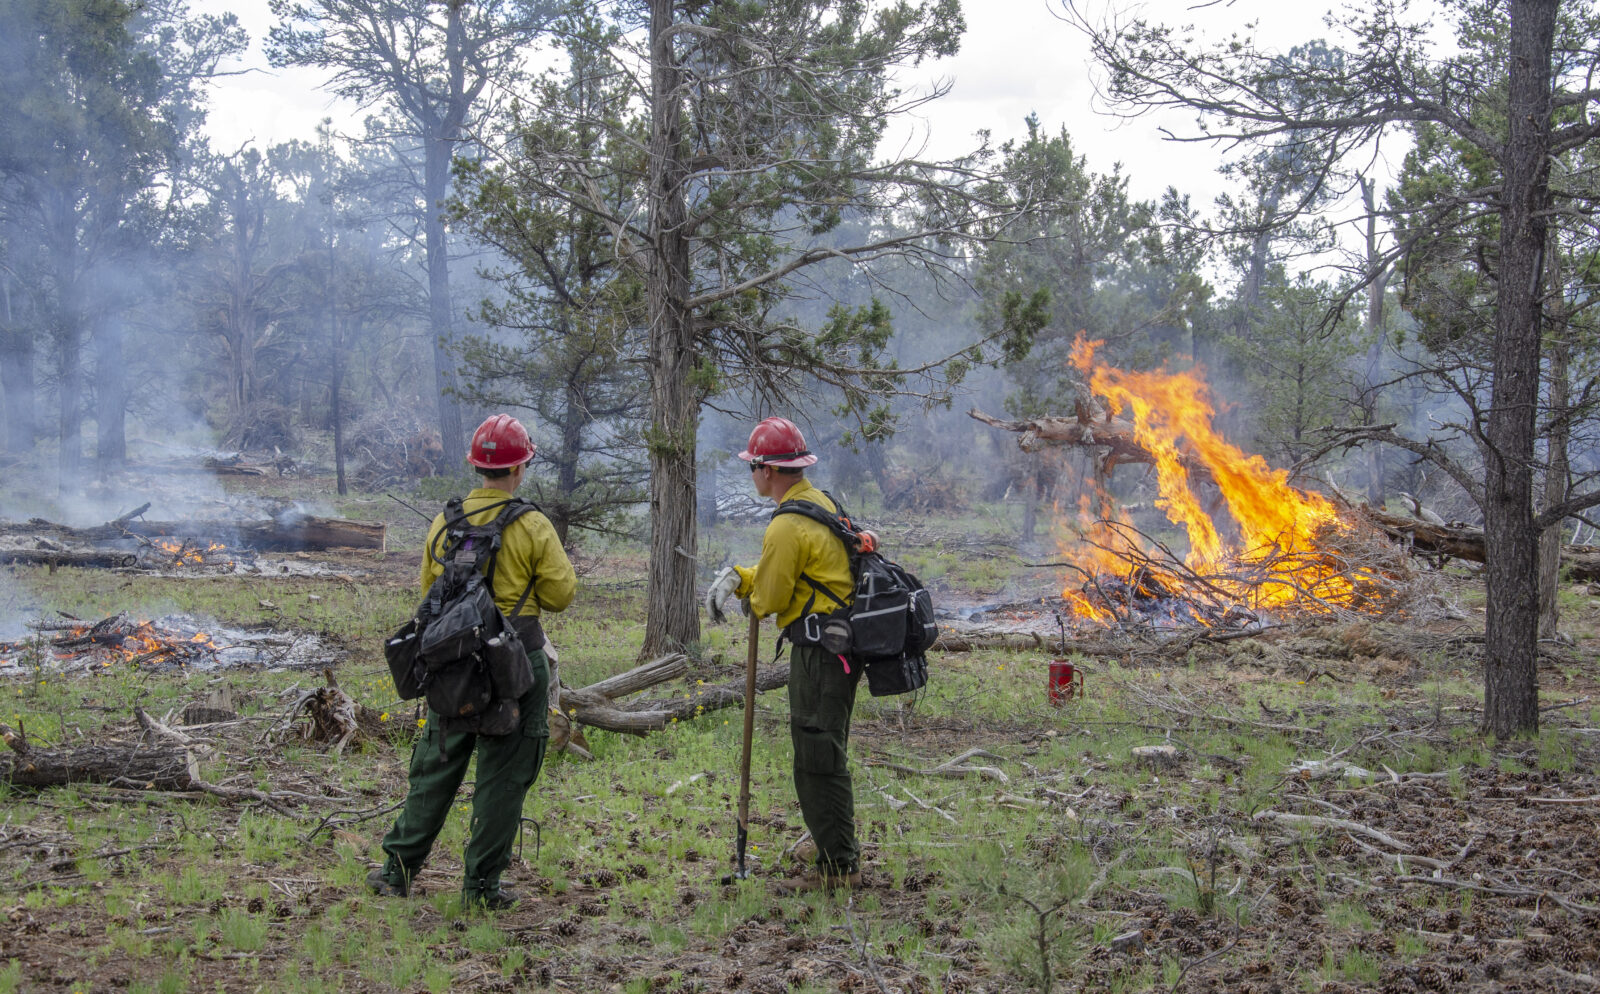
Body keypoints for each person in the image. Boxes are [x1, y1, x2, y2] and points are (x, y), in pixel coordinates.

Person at [368, 414, 577, 910]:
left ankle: (396, 872)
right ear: (519, 468)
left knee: (436, 767)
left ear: (477, 467)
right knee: (503, 778)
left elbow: (428, 593)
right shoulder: (531, 524)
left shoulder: (446, 521)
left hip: (453, 665)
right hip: (517, 664)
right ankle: (481, 889)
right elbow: (561, 594)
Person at [706, 416, 863, 892]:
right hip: (840, 647)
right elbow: (792, 574)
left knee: (817, 755)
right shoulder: (819, 504)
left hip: (820, 653)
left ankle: (839, 867)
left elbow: (771, 599)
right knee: (826, 749)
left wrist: (747, 593)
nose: (752, 474)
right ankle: (829, 841)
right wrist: (742, 574)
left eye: (753, 466)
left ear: (767, 470)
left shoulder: (787, 524)